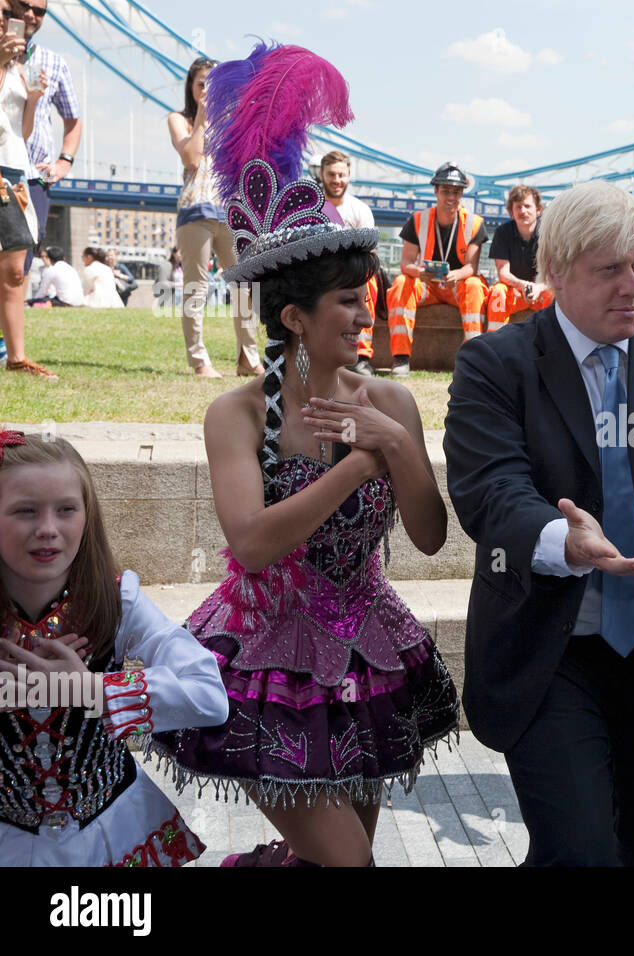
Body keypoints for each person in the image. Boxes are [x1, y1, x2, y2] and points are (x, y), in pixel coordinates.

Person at [149, 42, 459, 868]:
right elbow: (249, 543)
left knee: (343, 858)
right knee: (349, 862)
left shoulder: (390, 402)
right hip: (262, 663)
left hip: (365, 657)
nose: (365, 317)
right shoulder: (237, 414)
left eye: (367, 299)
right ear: (293, 317)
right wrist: (359, 467)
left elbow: (428, 537)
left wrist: (397, 449)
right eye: (349, 303)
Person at [444, 180, 634, 866]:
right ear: (554, 272)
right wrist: (566, 542)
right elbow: (490, 490)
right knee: (580, 851)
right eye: (609, 270)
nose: (633, 287)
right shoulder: (495, 364)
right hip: (552, 650)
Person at [0, 432, 228, 866]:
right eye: (25, 511)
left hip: (114, 833)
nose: (48, 528)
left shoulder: (117, 601)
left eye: (66, 509)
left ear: (88, 516)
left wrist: (91, 690)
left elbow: (208, 695)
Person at [167, 56, 261, 379]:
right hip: (196, 210)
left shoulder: (235, 124)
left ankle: (248, 358)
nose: (207, 89)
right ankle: (199, 361)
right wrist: (204, 116)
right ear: (191, 88)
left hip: (232, 211)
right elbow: (192, 159)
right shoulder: (179, 119)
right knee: (197, 287)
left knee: (245, 285)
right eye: (201, 84)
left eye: (214, 83)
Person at [387, 161, 489, 371]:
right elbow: (406, 263)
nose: (451, 197)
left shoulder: (475, 223)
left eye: (456, 192)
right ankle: (401, 357)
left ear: (462, 193)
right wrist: (419, 271)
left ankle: (472, 356)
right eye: (445, 191)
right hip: (427, 286)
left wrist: (457, 274)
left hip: (456, 286)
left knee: (474, 284)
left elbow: (471, 267)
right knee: (400, 282)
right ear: (435, 190)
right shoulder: (417, 220)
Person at [8, 0, 78, 276]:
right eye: (24, 5)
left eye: (39, 11)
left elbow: (73, 118)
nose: (29, 15)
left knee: (19, 269)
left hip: (33, 178)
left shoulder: (53, 63)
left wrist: (64, 161)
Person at [0, 20, 47, 378]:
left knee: (16, 271)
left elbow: (23, 131)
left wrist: (32, 100)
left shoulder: (18, 68)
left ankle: (16, 358)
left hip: (16, 169)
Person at [485, 184, 552, 333]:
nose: (523, 211)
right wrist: (523, 286)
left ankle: (553, 345)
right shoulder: (502, 232)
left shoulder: (549, 234)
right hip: (514, 289)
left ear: (538, 210)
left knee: (556, 294)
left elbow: (554, 273)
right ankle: (495, 343)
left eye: (528, 206)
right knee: (497, 291)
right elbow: (503, 273)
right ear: (511, 212)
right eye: (518, 207)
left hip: (541, 290)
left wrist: (538, 287)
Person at [319, 150, 374, 229]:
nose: (337, 180)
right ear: (321, 175)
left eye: (342, 175)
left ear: (349, 176)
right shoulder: (308, 210)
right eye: (331, 174)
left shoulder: (362, 211)